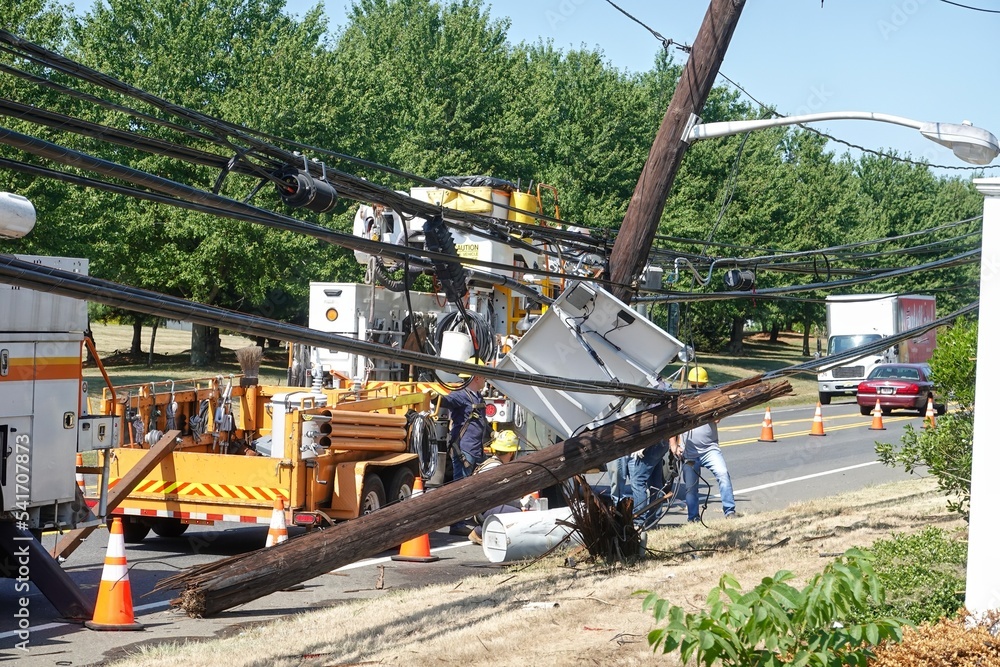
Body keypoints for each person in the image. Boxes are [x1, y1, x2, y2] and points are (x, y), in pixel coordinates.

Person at [669, 367, 737, 522]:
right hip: (689, 451)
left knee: (723, 474)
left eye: (701, 386)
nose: (697, 389)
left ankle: (729, 511)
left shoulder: (711, 399)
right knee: (691, 487)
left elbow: (717, 418)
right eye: (694, 386)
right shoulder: (682, 401)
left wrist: (710, 407)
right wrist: (673, 444)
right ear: (690, 384)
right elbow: (673, 424)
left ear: (706, 385)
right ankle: (693, 518)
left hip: (710, 449)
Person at [433, 357, 491, 535]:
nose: (485, 379)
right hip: (464, 450)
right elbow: (446, 401)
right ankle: (457, 524)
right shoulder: (460, 395)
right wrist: (435, 397)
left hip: (475, 449)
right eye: (483, 376)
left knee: (471, 487)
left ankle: (467, 518)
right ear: (477, 377)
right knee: (461, 487)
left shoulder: (477, 396)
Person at [468, 430, 522, 545]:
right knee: (517, 514)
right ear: (511, 453)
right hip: (483, 509)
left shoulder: (491, 463)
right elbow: (504, 495)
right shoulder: (496, 468)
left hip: (479, 507)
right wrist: (520, 504)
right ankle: (479, 532)